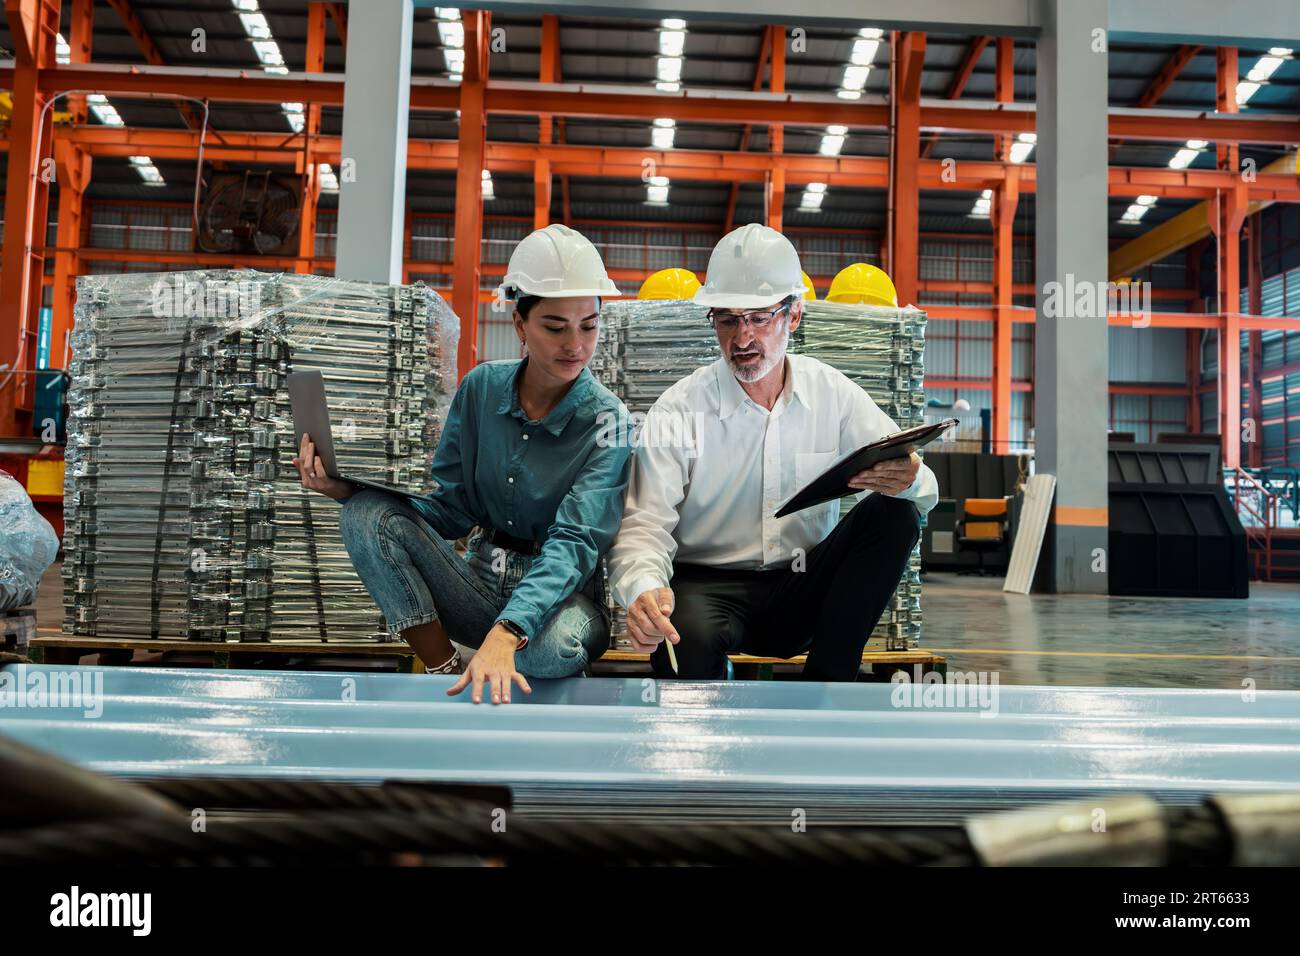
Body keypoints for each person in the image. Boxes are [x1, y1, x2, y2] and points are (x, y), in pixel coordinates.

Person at [294, 224, 633, 703]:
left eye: (589, 326)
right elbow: (450, 510)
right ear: (520, 324)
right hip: (479, 581)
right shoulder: (481, 390)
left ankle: (505, 653)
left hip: (563, 603)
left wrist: (509, 630)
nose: (575, 345)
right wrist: (346, 489)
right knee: (365, 515)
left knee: (553, 647)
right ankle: (445, 672)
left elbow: (575, 542)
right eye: (555, 327)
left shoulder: (610, 421)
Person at [607, 223, 939, 681]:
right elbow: (644, 524)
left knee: (896, 514)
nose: (742, 339)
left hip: (800, 585)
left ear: (794, 315)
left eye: (759, 317)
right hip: (706, 590)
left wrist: (911, 478)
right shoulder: (680, 409)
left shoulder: (833, 395)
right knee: (681, 643)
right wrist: (643, 589)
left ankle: (830, 684)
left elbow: (923, 490)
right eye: (727, 319)